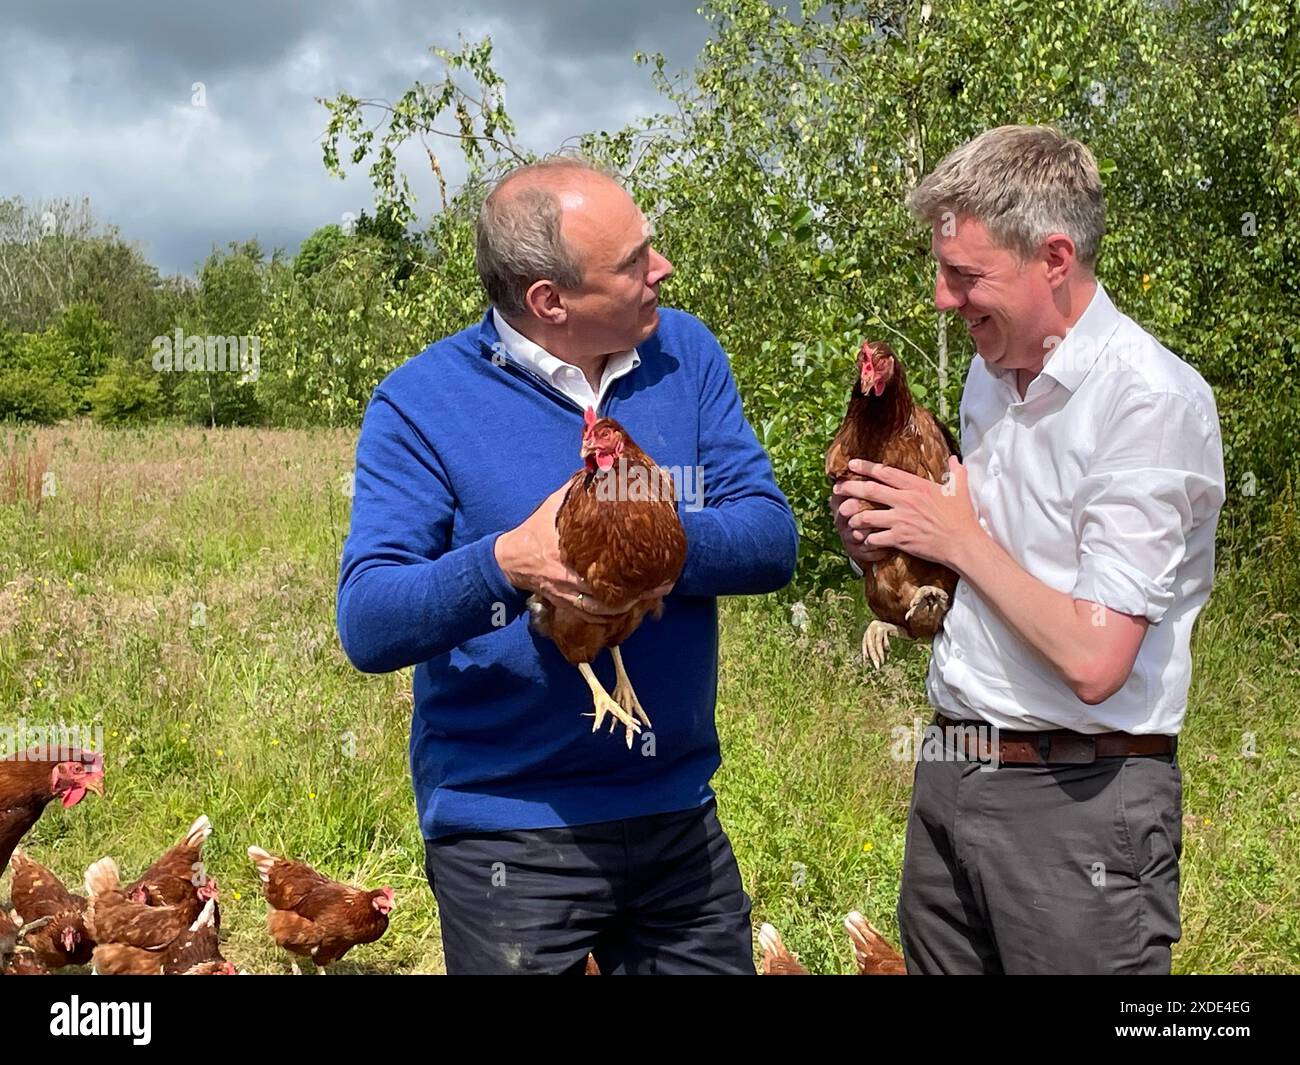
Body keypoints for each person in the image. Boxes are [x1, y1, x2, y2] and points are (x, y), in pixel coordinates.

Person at [338, 156, 798, 975]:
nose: (662, 270)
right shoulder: (421, 402)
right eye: (632, 263)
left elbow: (769, 538)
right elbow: (370, 620)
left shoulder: (683, 355)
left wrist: (640, 546)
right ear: (550, 300)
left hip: (675, 810)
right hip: (505, 831)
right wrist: (507, 564)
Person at [832, 125, 1225, 974]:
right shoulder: (989, 374)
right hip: (953, 762)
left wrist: (956, 539)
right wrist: (891, 543)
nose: (943, 298)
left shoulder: (1148, 402)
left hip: (1077, 798)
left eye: (966, 276)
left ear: (1054, 256)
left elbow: (1094, 656)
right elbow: (987, 561)